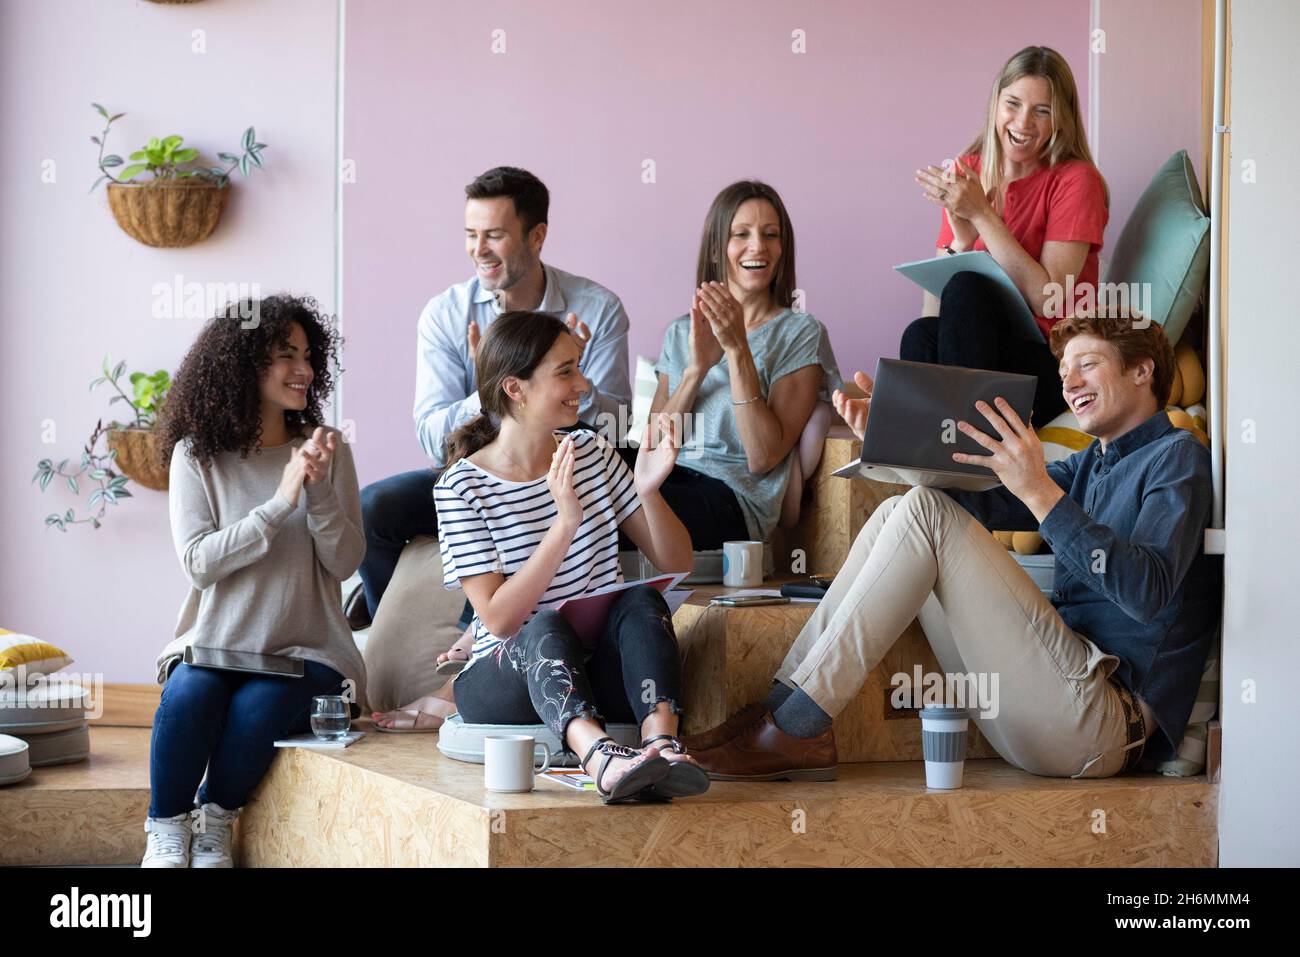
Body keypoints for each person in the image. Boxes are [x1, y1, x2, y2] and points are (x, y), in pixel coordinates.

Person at [687, 312, 1219, 783]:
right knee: (903, 507)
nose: (1070, 382)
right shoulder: (1089, 466)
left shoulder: (1177, 456)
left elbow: (1148, 593)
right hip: (1041, 706)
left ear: (1142, 370)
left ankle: (796, 725)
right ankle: (783, 714)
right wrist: (891, 435)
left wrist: (1038, 491)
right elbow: (973, 504)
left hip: (1103, 723)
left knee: (922, 512)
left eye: (1087, 365)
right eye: (1064, 372)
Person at [433, 310, 708, 803]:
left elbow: (675, 561)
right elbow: (498, 619)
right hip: (506, 675)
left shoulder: (591, 452)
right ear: (515, 389)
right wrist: (565, 525)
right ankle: (599, 756)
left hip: (593, 665)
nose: (582, 384)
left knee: (643, 599)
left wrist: (646, 490)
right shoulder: (462, 487)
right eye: (565, 372)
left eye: (578, 367)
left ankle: (661, 745)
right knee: (543, 625)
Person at [351, 166, 633, 631]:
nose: (478, 250)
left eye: (495, 235)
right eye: (470, 234)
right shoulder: (446, 314)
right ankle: (388, 626)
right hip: (479, 471)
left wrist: (569, 377)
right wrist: (493, 389)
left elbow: (617, 428)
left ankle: (479, 635)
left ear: (536, 236)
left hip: (562, 470)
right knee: (373, 508)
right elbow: (431, 437)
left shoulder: (597, 308)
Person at [143, 296, 365, 866]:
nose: (305, 370)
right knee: (191, 691)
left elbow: (344, 563)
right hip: (217, 642)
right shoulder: (197, 455)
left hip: (309, 650)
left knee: (260, 701)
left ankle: (215, 819)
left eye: (309, 356)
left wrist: (313, 493)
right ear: (243, 363)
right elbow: (199, 562)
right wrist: (280, 499)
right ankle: (167, 827)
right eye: (285, 355)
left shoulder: (326, 448)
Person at [901, 45, 1108, 427]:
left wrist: (982, 215)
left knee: (968, 287)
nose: (1023, 122)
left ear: (1060, 120)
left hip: (1053, 365)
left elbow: (1049, 301)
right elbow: (934, 312)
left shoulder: (1077, 181)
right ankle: (936, 448)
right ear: (995, 104)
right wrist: (961, 243)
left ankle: (966, 446)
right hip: (980, 359)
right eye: (1013, 104)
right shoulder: (970, 171)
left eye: (1041, 111)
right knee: (920, 335)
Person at [646, 180, 841, 549]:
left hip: (732, 501)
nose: (758, 246)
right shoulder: (681, 332)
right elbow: (652, 448)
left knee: (616, 503)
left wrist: (737, 350)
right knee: (586, 468)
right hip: (667, 479)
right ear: (718, 250)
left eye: (771, 235)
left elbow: (763, 456)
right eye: (742, 234)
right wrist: (695, 370)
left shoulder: (800, 332)